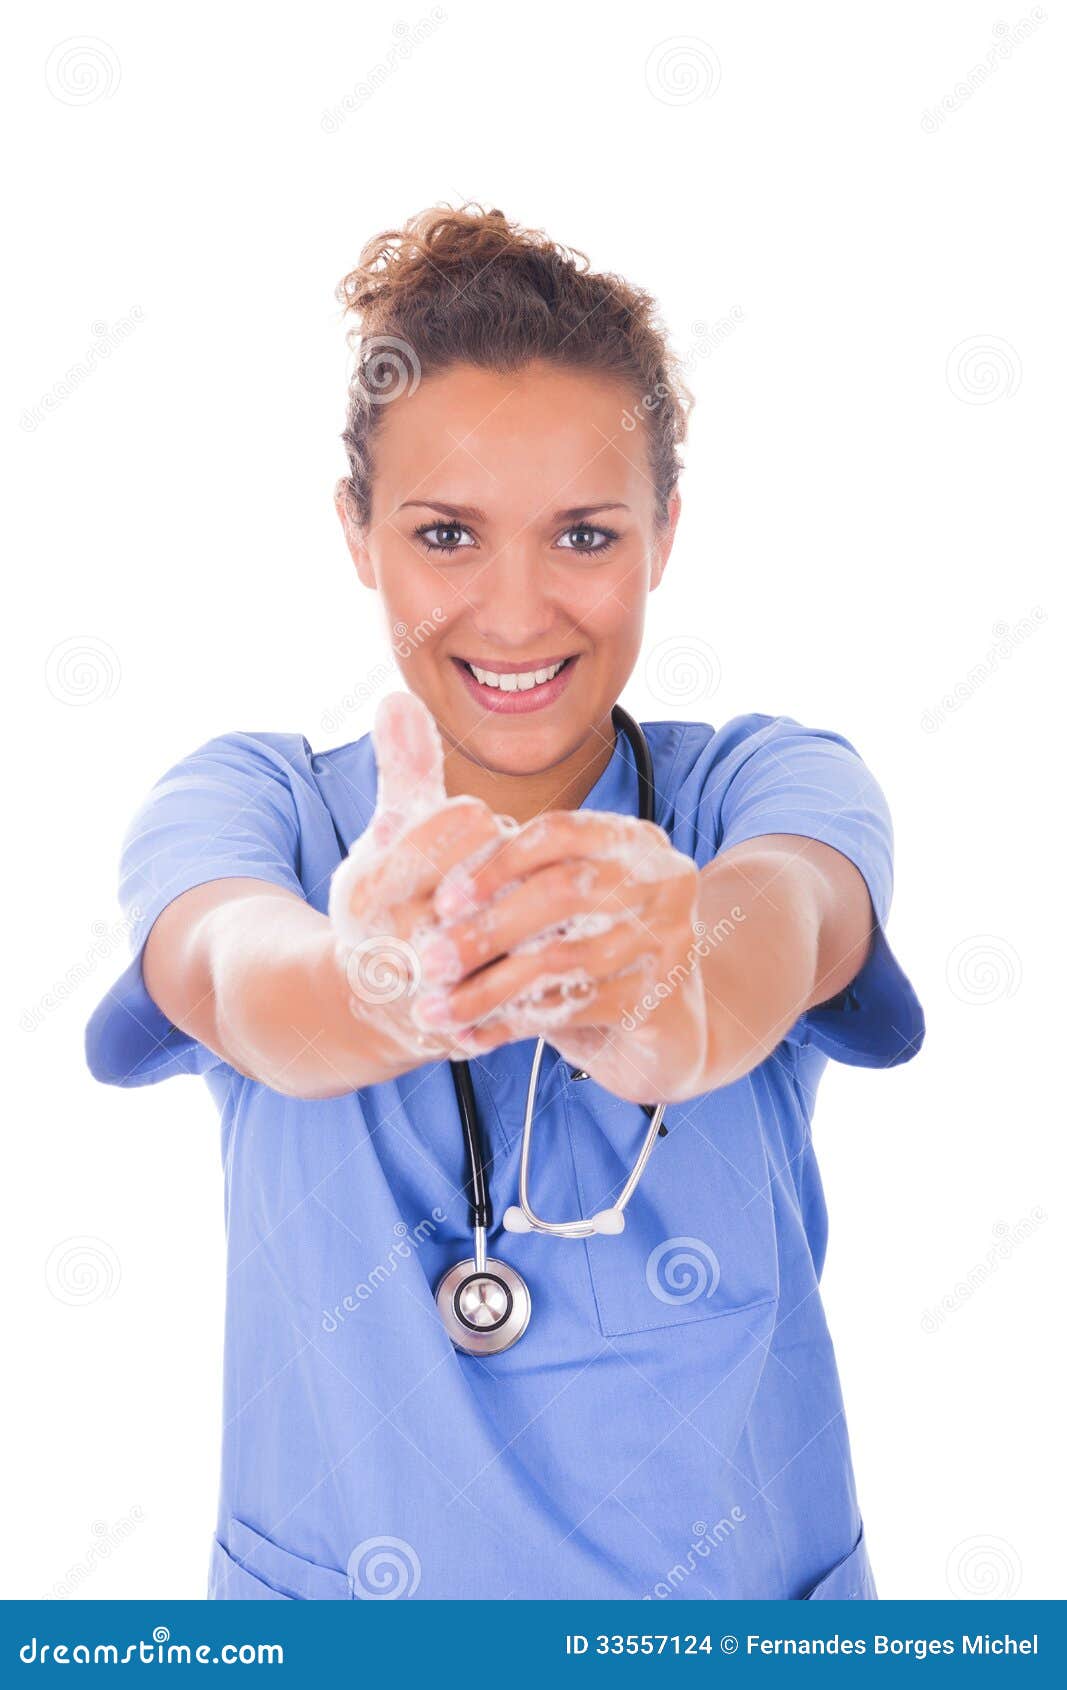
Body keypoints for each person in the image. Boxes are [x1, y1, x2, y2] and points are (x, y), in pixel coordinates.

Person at [86, 204, 925, 1601]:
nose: (519, 609)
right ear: (359, 533)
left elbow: (790, 913)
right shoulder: (256, 811)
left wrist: (686, 995)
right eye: (448, 533)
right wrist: (365, 982)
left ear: (666, 532)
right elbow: (233, 970)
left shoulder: (761, 789)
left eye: (586, 533)